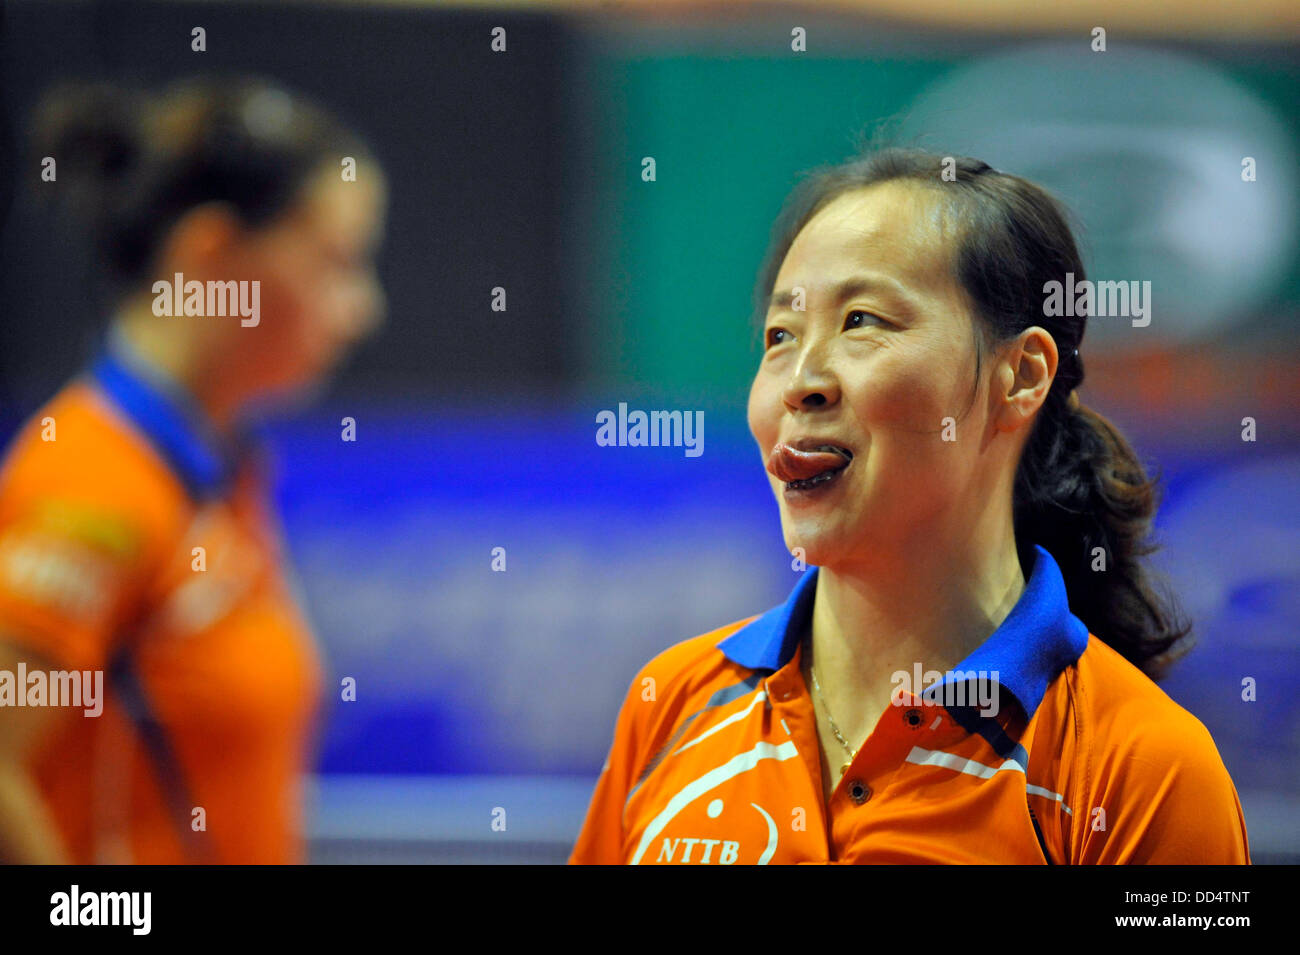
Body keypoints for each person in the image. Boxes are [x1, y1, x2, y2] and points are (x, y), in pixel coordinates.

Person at [569, 147, 1250, 864]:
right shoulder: (671, 702)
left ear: (1020, 375)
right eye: (780, 336)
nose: (801, 380)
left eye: (862, 320)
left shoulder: (1145, 772)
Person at [0, 76, 387, 863]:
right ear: (210, 256)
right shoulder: (90, 482)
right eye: (334, 263)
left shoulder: (221, 471)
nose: (361, 309)